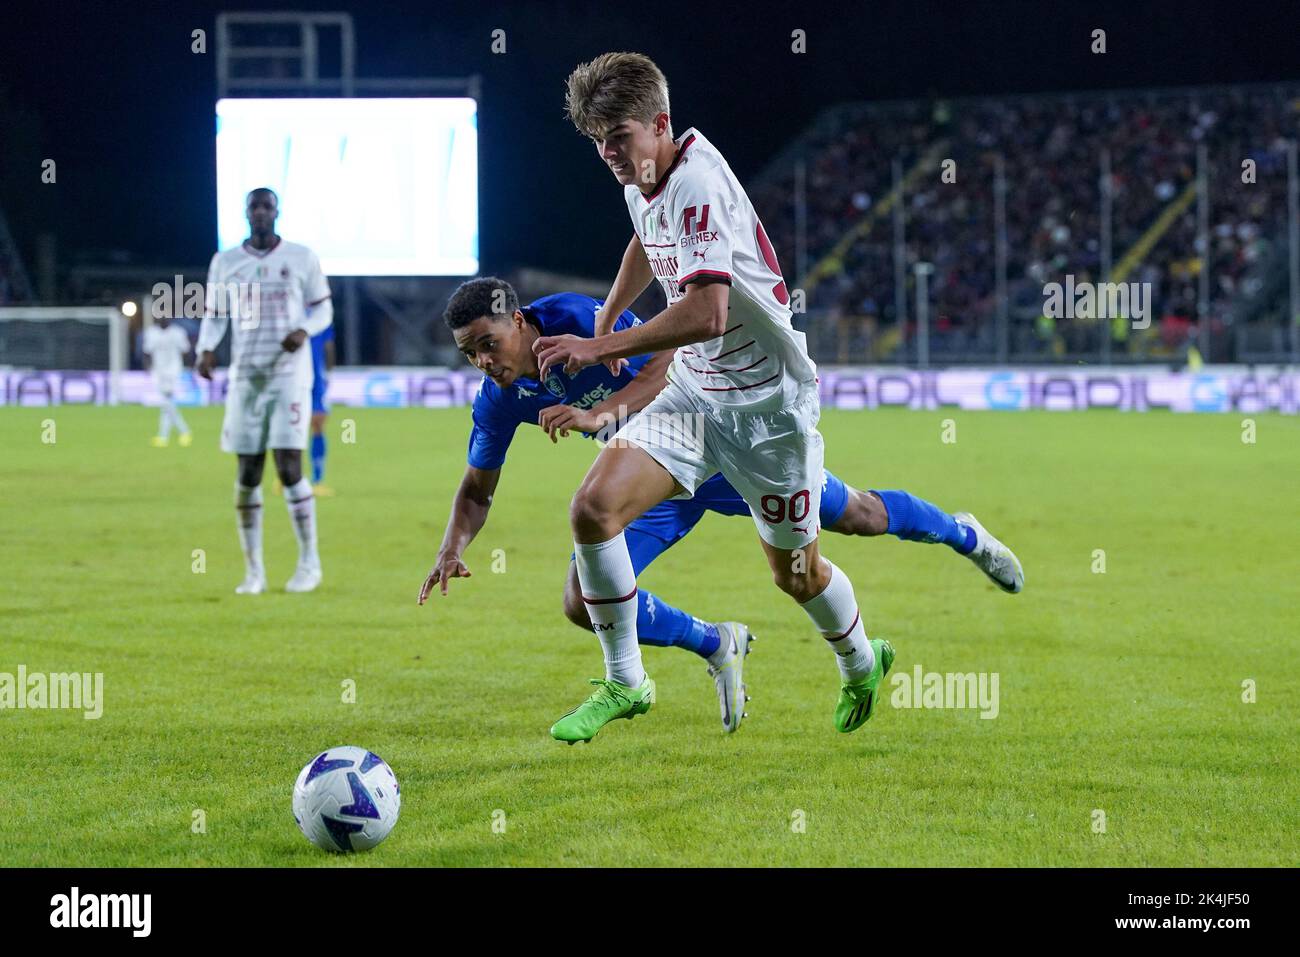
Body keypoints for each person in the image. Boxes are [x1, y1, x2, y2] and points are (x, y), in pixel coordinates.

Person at [534, 53, 1023, 743]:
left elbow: (706, 312)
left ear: (660, 124)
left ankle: (860, 661)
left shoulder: (699, 183)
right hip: (696, 392)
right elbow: (647, 239)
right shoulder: (643, 180)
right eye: (598, 140)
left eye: (618, 134)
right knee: (591, 508)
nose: (609, 153)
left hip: (768, 413)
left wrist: (596, 348)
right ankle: (627, 680)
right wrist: (609, 312)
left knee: (799, 573)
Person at [421, 278, 1022, 735]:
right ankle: (713, 644)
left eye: (487, 344)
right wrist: (452, 547)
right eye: (469, 352)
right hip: (657, 471)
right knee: (583, 598)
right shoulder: (498, 399)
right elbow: (478, 487)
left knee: (854, 517)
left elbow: (666, 363)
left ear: (520, 323)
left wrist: (599, 414)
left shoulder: (576, 320)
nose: (482, 360)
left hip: (715, 440)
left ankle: (961, 533)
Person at [195, 187, 333, 595]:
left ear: (277, 212)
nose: (260, 212)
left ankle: (310, 562)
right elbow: (216, 314)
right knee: (248, 472)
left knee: (289, 467)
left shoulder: (302, 257)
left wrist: (303, 330)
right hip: (245, 377)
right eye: (253, 206)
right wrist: (205, 348)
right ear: (245, 214)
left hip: (289, 375)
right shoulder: (226, 262)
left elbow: (323, 308)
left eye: (266, 206)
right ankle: (253, 570)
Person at [142, 316, 193, 447]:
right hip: (158, 371)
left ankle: (181, 432)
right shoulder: (151, 333)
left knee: (166, 401)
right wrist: (147, 366)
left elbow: (186, 350)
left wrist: (188, 366)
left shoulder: (178, 332)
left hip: (173, 370)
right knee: (167, 404)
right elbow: (147, 352)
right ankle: (167, 436)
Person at [308, 325, 335, 493]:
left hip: (316, 376)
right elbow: (329, 347)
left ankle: (317, 480)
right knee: (290, 425)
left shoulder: (321, 315)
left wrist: (329, 373)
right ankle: (285, 478)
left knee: (318, 422)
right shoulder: (319, 311)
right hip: (296, 375)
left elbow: (328, 345)